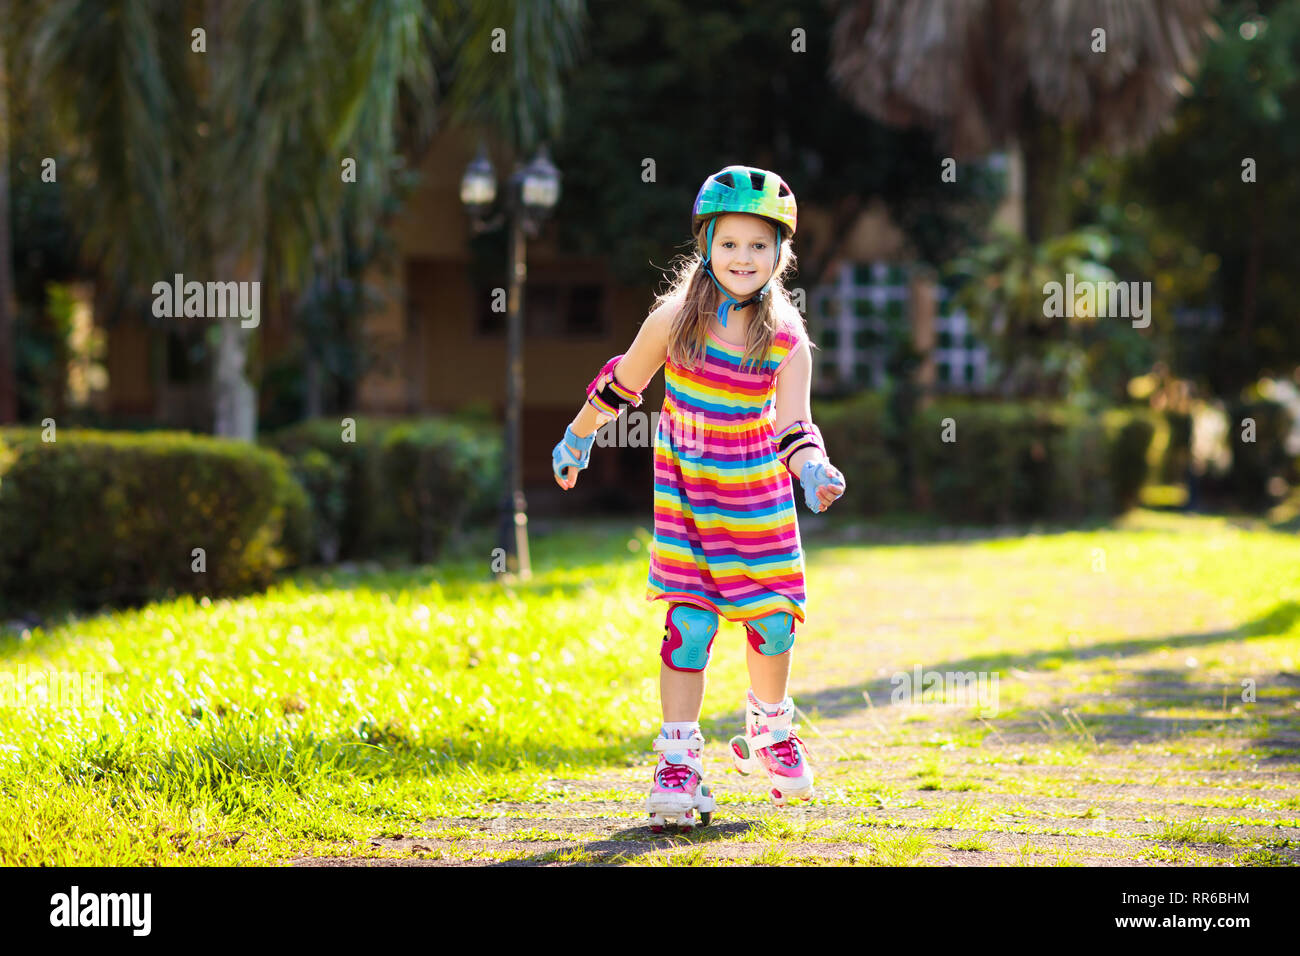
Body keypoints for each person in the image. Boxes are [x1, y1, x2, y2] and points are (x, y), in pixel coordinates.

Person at [551, 165, 846, 830]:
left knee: (772, 624)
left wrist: (814, 470)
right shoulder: (673, 321)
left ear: (781, 254)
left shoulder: (788, 341)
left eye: (760, 245)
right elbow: (620, 386)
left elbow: (794, 426)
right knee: (689, 630)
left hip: (760, 498)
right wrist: (577, 438)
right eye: (731, 243)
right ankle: (678, 760)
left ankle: (770, 728)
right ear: (707, 246)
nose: (745, 258)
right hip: (688, 501)